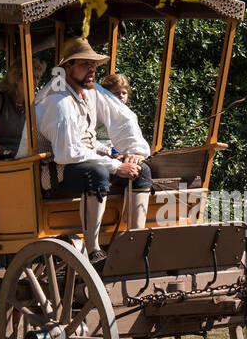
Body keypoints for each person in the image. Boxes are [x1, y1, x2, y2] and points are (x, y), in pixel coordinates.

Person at [18, 37, 151, 267]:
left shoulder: (88, 91)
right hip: (48, 170)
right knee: (96, 173)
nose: (91, 69)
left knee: (142, 170)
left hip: (76, 162)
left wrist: (132, 152)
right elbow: (67, 153)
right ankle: (93, 249)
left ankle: (135, 240)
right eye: (83, 64)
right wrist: (115, 166)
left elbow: (123, 117)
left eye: (93, 64)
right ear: (66, 68)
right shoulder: (57, 100)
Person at [0, 56, 45, 158]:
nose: (35, 82)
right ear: (16, 77)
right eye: (31, 76)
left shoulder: (31, 104)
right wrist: (10, 153)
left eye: (38, 77)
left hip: (22, 160)